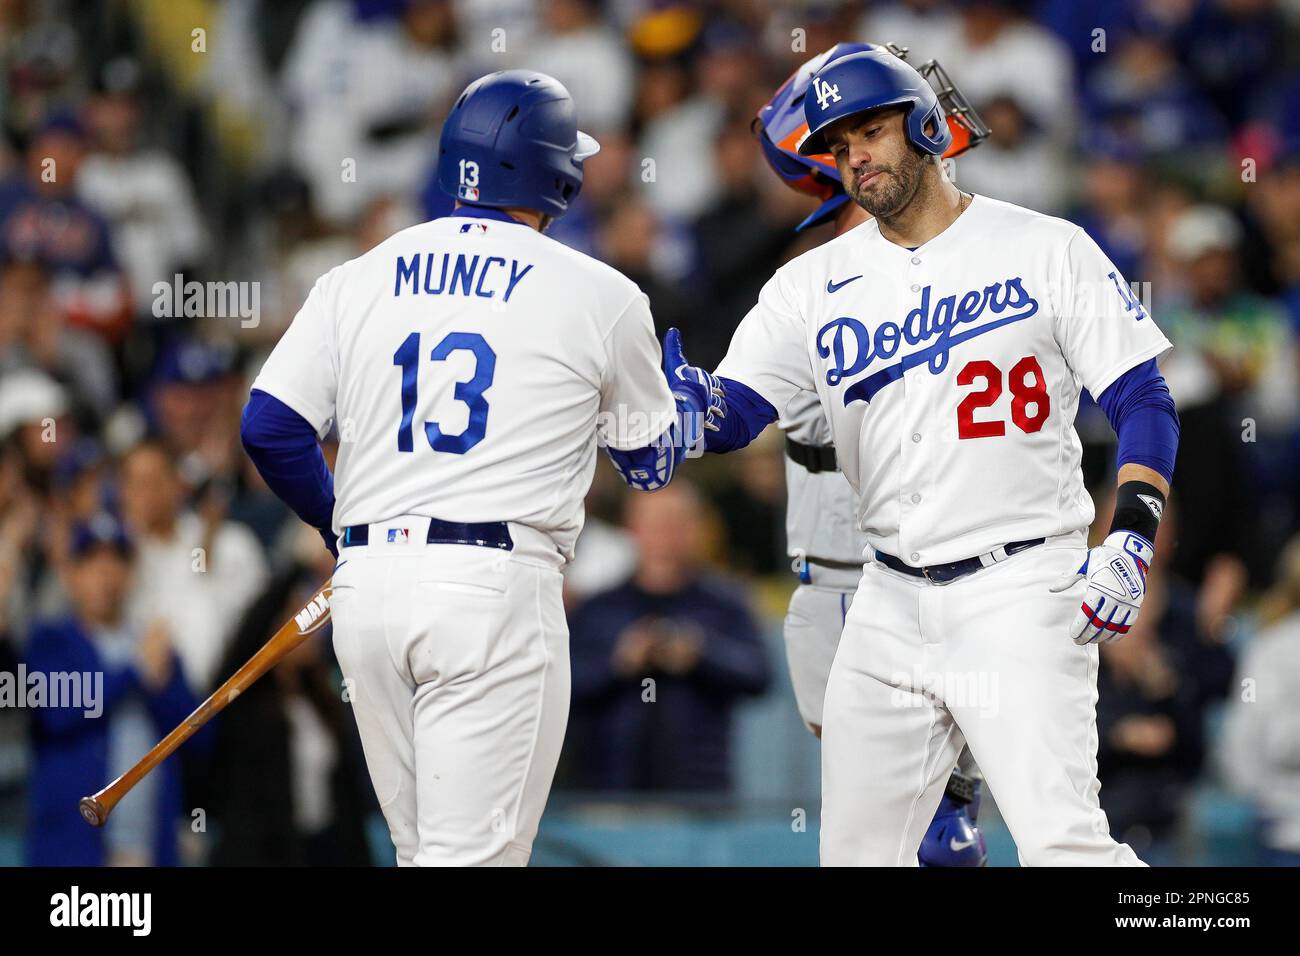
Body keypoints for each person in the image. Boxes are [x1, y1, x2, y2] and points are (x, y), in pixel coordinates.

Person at [670, 48, 1180, 865]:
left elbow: (1143, 399)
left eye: (869, 131)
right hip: (887, 598)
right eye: (837, 147)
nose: (854, 157)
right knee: (856, 857)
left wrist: (1132, 536)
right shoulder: (810, 283)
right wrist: (686, 411)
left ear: (926, 126)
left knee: (1062, 847)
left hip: (1018, 586)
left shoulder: (1046, 246)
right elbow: (737, 414)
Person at [241, 70, 713, 866]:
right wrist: (688, 407)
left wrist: (337, 525)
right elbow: (646, 463)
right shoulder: (600, 292)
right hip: (492, 591)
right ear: (555, 174)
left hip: (369, 592)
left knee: (427, 854)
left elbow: (269, 426)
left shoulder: (358, 274)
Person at [750, 41, 991, 866]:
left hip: (910, 573)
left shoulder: (930, 248)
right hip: (861, 577)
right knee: (920, 831)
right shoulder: (830, 273)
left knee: (925, 827)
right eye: (849, 130)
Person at [25, 513, 207, 866]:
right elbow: (57, 714)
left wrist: (163, 684)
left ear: (131, 573)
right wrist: (136, 671)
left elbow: (200, 740)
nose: (105, 572)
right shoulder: (51, 640)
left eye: (116, 560)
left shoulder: (156, 645)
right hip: (73, 850)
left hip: (150, 846)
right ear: (70, 574)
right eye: (91, 560)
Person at [568, 480, 769, 793]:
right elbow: (565, 685)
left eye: (676, 523)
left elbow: (759, 676)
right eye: (656, 523)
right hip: (608, 795)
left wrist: (700, 655)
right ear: (632, 528)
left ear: (697, 527)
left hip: (701, 796)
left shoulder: (725, 602)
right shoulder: (599, 607)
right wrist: (618, 663)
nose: (666, 534)